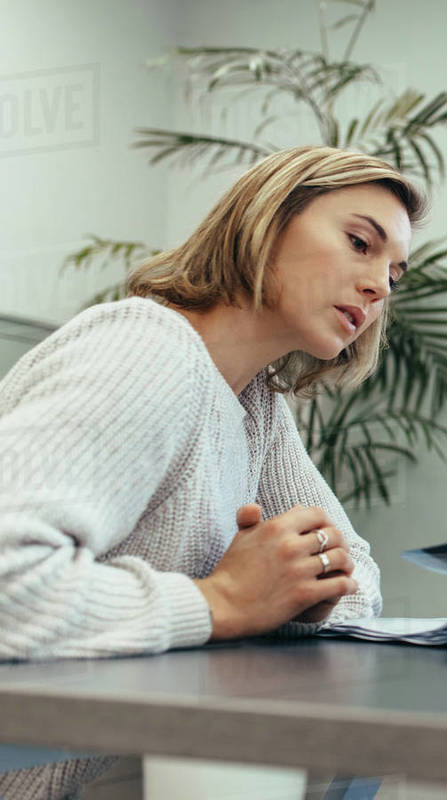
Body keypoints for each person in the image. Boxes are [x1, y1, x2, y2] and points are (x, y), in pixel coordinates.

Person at [0, 145, 420, 797]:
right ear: (267, 218)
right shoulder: (146, 351)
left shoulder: (256, 406)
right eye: (359, 243)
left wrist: (290, 589)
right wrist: (221, 600)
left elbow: (356, 580)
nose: (377, 287)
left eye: (394, 274)